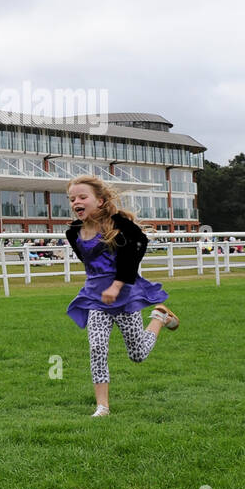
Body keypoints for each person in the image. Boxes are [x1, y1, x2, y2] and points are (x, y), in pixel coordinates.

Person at [64, 176, 178, 418]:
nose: (76, 202)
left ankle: (158, 318)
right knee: (97, 348)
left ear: (101, 201)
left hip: (124, 298)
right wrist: (98, 286)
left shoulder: (119, 225)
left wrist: (116, 285)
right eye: (72, 198)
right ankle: (102, 407)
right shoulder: (73, 232)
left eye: (83, 197)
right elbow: (89, 263)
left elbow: (136, 248)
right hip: (96, 301)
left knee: (137, 355)